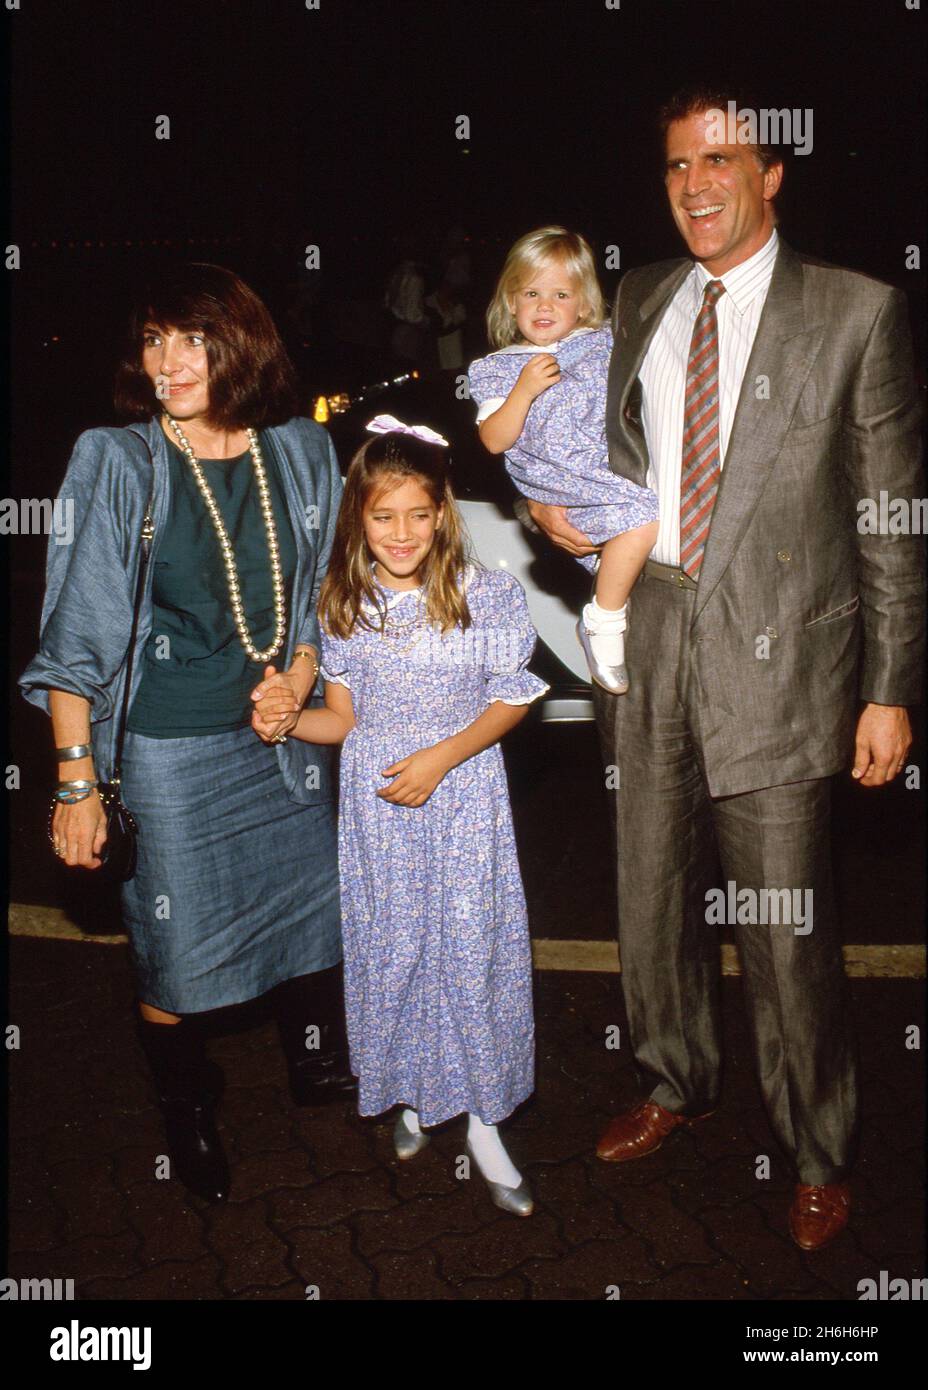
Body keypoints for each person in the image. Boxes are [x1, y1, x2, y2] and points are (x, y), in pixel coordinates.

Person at [523, 88, 925, 1250]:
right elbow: (604, 448)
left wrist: (888, 688)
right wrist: (563, 509)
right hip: (647, 641)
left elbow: (892, 520)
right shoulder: (642, 294)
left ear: (771, 170)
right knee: (648, 892)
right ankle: (673, 1080)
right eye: (674, 165)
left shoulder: (857, 312)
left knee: (783, 922)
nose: (694, 183)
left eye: (718, 158)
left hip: (784, 664)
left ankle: (814, 1146)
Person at [20, 263, 356, 1206]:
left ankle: (314, 1058)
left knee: (308, 912)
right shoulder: (119, 459)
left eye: (191, 339)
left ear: (239, 344)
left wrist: (295, 681)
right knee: (173, 949)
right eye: (154, 340)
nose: (166, 360)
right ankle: (188, 1111)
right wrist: (78, 783)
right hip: (168, 751)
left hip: (281, 738)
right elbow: (75, 633)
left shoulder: (297, 449)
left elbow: (324, 592)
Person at [254, 416, 548, 1217]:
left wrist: (439, 758)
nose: (403, 533)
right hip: (379, 815)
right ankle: (418, 1093)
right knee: (399, 951)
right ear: (359, 519)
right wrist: (288, 719)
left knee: (469, 954)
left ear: (443, 510)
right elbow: (341, 721)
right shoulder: (343, 606)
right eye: (383, 516)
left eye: (419, 513)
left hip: (463, 799)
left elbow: (512, 697)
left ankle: (485, 1121)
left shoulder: (484, 593)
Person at [468, 227, 659, 693]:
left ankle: (610, 618)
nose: (545, 306)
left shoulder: (600, 345)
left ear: (583, 304)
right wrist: (523, 392)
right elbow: (494, 440)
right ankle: (602, 622)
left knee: (637, 541)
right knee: (643, 518)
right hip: (557, 475)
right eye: (531, 293)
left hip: (601, 465)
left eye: (560, 294)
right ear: (511, 302)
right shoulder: (499, 367)